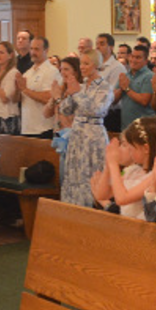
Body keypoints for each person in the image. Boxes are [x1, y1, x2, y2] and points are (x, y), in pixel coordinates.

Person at [55, 50, 114, 207]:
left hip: (93, 137)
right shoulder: (81, 86)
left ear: (96, 65)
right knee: (75, 175)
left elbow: (97, 110)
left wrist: (77, 94)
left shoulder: (104, 86)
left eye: (86, 63)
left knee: (91, 175)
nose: (82, 67)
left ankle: (91, 210)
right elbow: (65, 110)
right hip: (77, 135)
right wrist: (69, 93)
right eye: (81, 63)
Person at [91, 116, 156, 219]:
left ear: (146, 148)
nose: (129, 150)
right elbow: (101, 196)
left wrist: (113, 164)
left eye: (131, 146)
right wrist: (108, 166)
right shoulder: (133, 170)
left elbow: (122, 199)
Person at [18, 37, 60, 139]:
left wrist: (25, 90)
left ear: (46, 50)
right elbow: (21, 99)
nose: (33, 52)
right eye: (31, 49)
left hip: (43, 128)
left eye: (37, 49)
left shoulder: (51, 71)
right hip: (27, 127)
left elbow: (48, 98)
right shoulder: (28, 73)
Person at [118, 44, 156, 130]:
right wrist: (121, 88)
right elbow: (114, 100)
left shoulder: (149, 76)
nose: (133, 60)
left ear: (146, 61)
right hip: (126, 125)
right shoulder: (126, 75)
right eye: (132, 56)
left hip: (144, 126)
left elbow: (144, 101)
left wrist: (127, 89)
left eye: (138, 57)